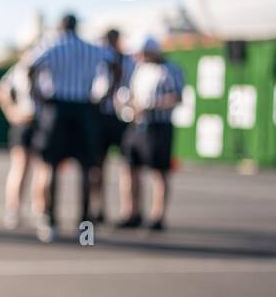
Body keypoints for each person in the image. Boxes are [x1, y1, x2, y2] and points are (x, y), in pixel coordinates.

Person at [25, 13, 111, 243]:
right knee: (86, 170)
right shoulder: (90, 48)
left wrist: (37, 94)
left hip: (58, 109)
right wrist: (104, 95)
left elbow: (30, 65)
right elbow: (114, 63)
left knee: (52, 166)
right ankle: (85, 226)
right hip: (84, 109)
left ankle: (51, 221)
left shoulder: (54, 45)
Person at [117, 36, 184, 230]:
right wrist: (127, 103)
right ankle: (132, 212)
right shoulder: (140, 69)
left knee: (158, 171)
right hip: (137, 124)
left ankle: (157, 216)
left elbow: (177, 96)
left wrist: (151, 106)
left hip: (159, 126)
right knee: (129, 168)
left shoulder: (170, 69)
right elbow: (132, 94)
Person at [88, 29, 132, 223]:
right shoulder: (97, 60)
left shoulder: (128, 61)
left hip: (121, 117)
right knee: (97, 166)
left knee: (128, 165)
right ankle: (98, 207)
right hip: (101, 116)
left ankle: (128, 210)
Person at [0, 45, 39, 229]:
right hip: (23, 123)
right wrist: (11, 112)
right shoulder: (18, 71)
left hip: (42, 123)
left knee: (42, 169)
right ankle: (13, 210)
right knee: (20, 167)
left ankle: (40, 210)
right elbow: (2, 90)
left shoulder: (44, 70)